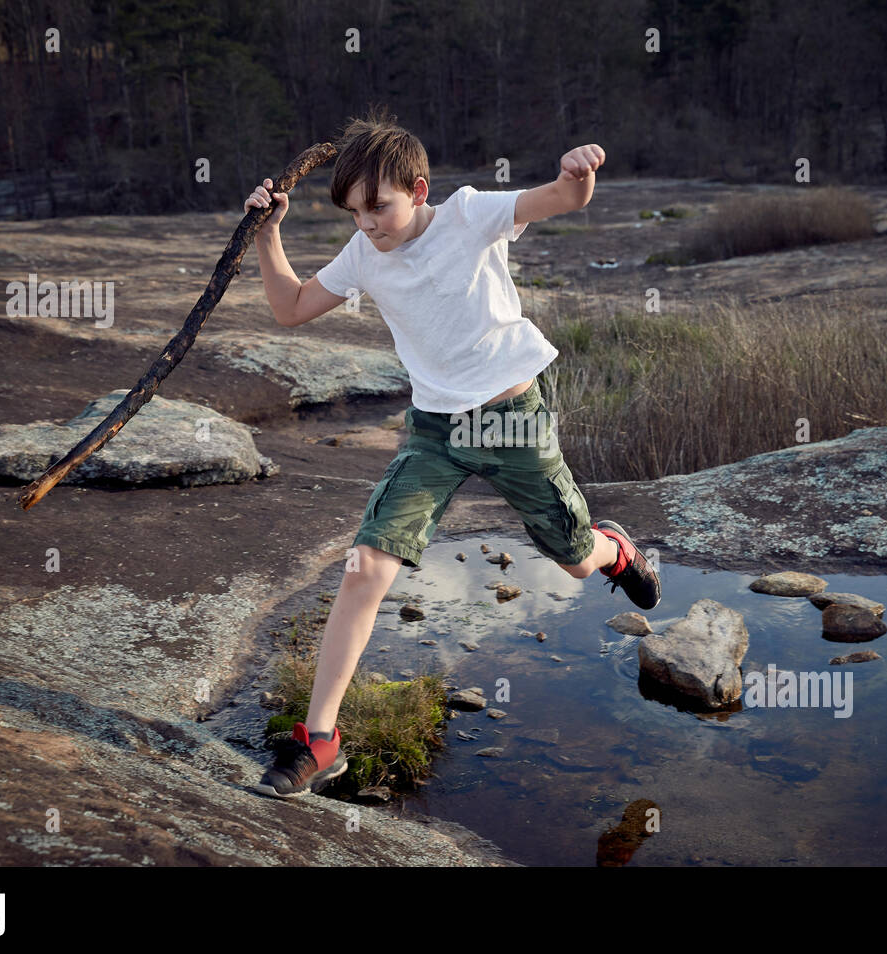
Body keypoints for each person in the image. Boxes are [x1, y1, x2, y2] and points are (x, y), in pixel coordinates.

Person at [242, 108, 662, 797]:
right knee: (366, 566)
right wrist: (269, 233)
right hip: (435, 431)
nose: (368, 224)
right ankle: (319, 742)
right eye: (353, 213)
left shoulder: (471, 215)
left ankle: (613, 549)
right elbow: (289, 308)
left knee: (577, 562)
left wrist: (575, 177)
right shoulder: (361, 254)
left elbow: (559, 200)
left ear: (419, 188)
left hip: (513, 423)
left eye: (377, 207)